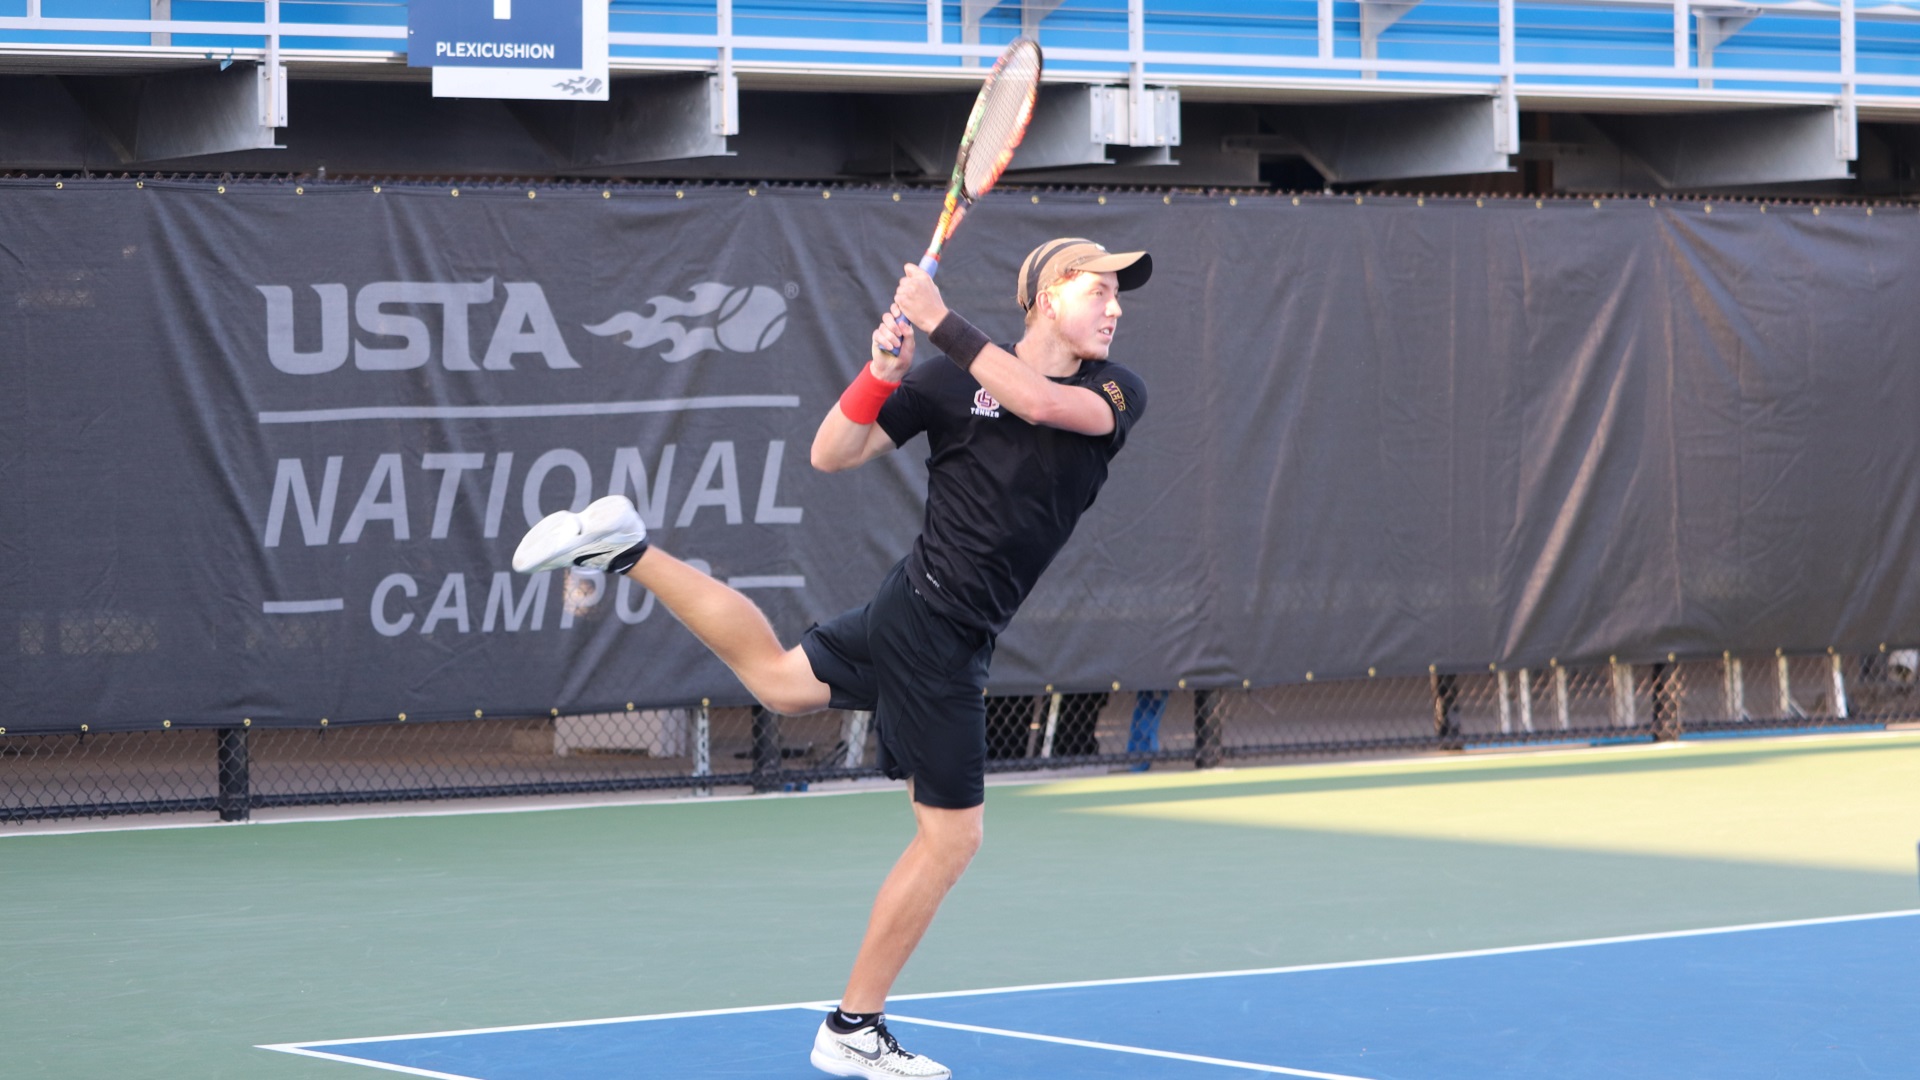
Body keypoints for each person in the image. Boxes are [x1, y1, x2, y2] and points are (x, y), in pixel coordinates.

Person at [512, 237, 1151, 1079]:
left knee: (779, 683)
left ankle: (627, 549)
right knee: (951, 841)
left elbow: (1034, 402)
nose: (1114, 306)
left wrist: (939, 321)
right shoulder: (948, 382)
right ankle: (854, 1025)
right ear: (1042, 297)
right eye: (1096, 288)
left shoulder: (1114, 390)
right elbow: (832, 450)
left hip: (928, 611)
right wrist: (883, 371)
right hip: (937, 621)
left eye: (1118, 293)